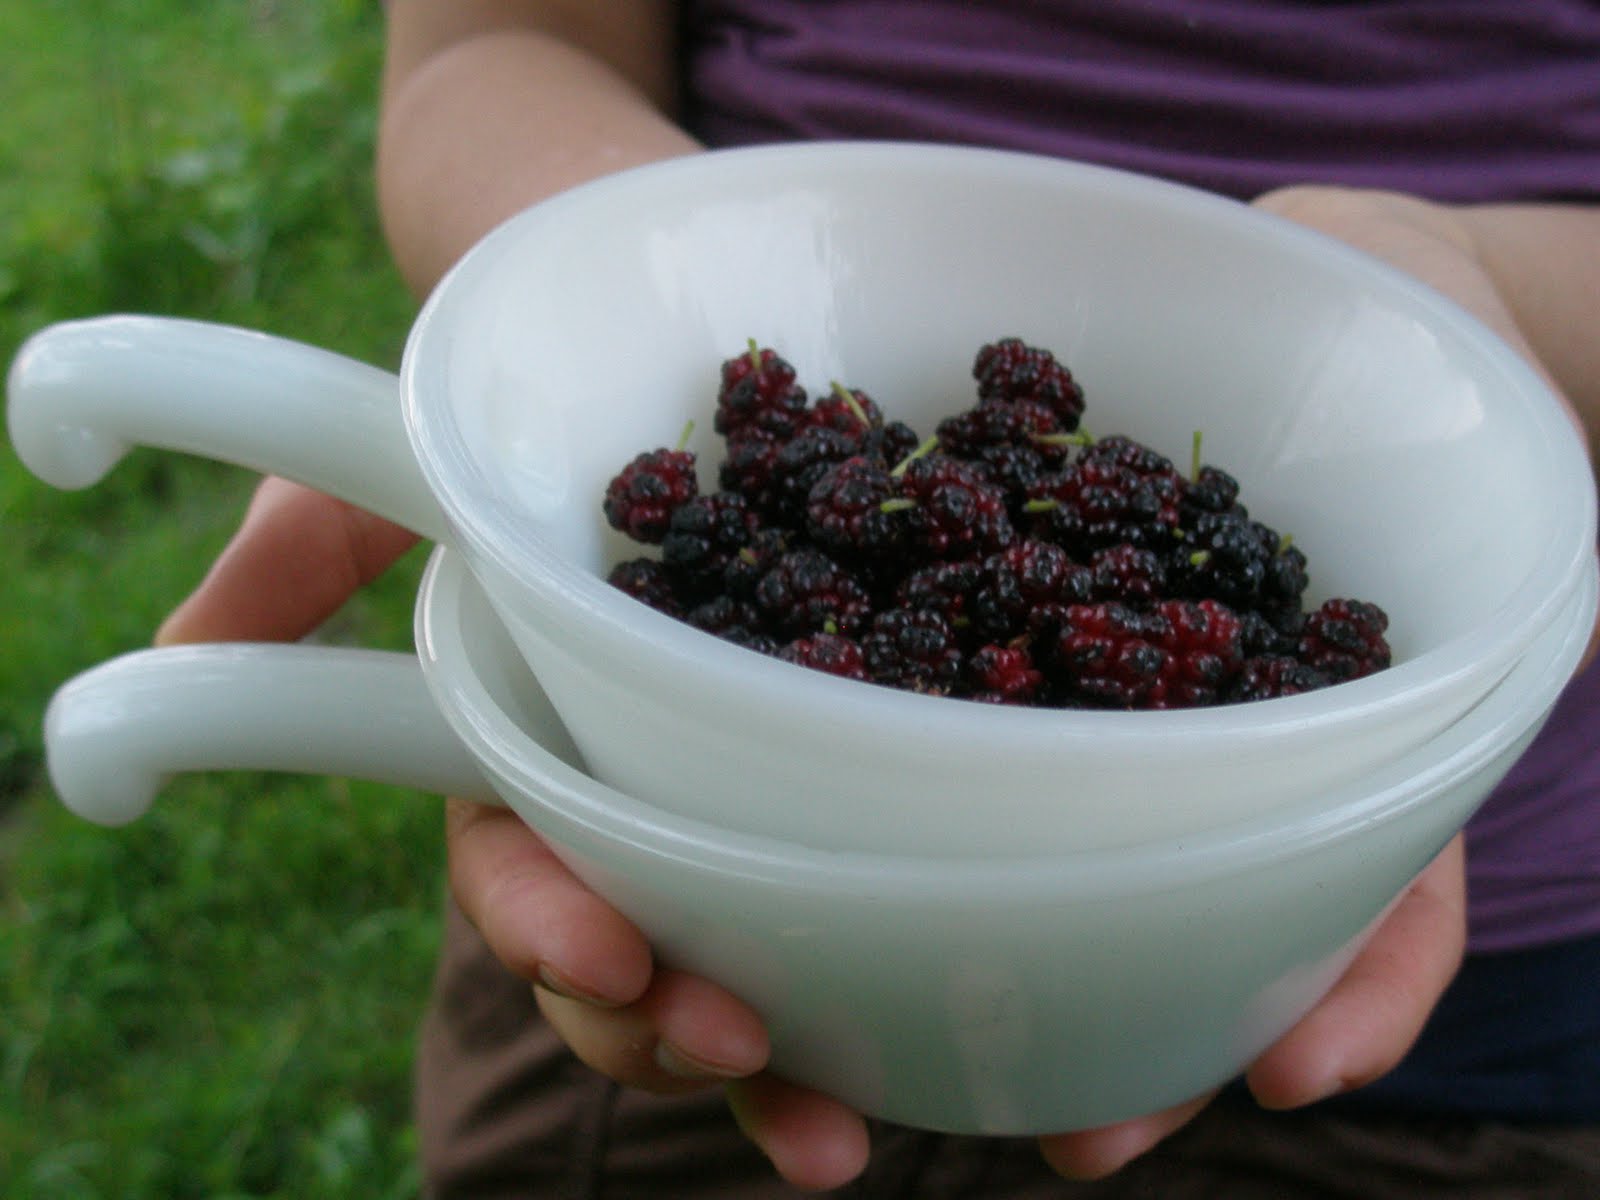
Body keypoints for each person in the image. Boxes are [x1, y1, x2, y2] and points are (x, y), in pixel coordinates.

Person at [156, 2, 1600, 1195]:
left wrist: (1483, 291)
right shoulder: (861, 524)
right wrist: (596, 301)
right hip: (682, 884)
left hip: (1428, 993)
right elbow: (504, 39)